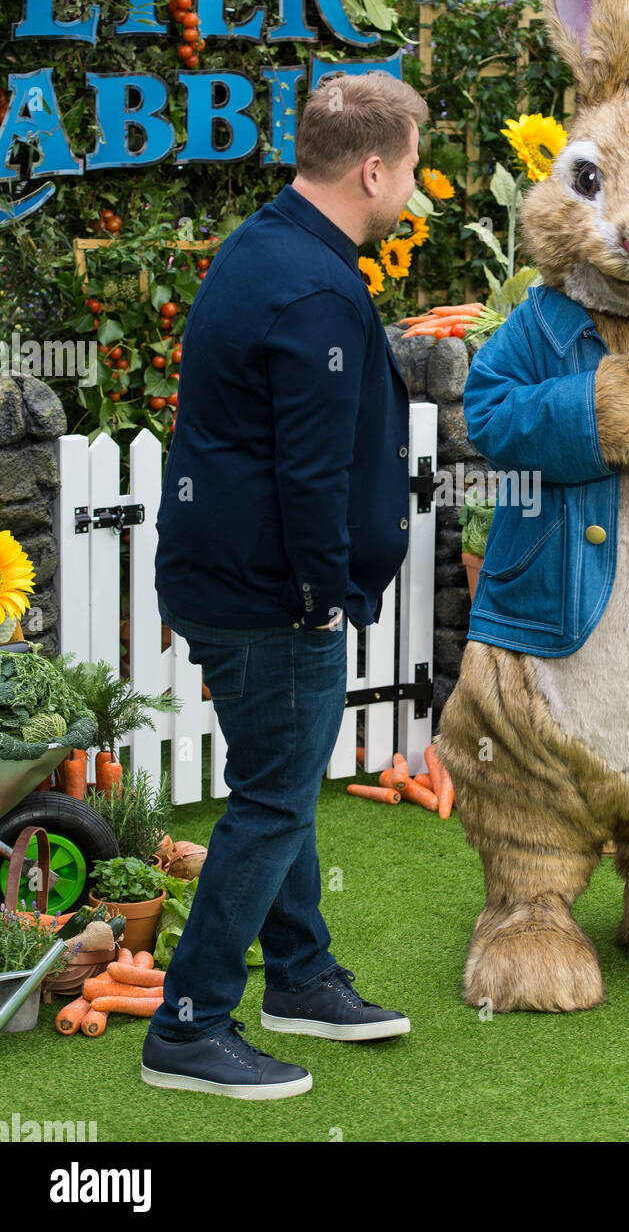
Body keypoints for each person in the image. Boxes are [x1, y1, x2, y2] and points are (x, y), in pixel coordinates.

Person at [144, 71, 428, 1100]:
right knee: (270, 800)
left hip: (225, 575)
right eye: (408, 167)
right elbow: (309, 473)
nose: (412, 185)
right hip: (268, 595)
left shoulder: (265, 246)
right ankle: (187, 1026)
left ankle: (300, 976)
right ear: (370, 167)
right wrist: (325, 596)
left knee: (281, 781)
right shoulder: (313, 284)